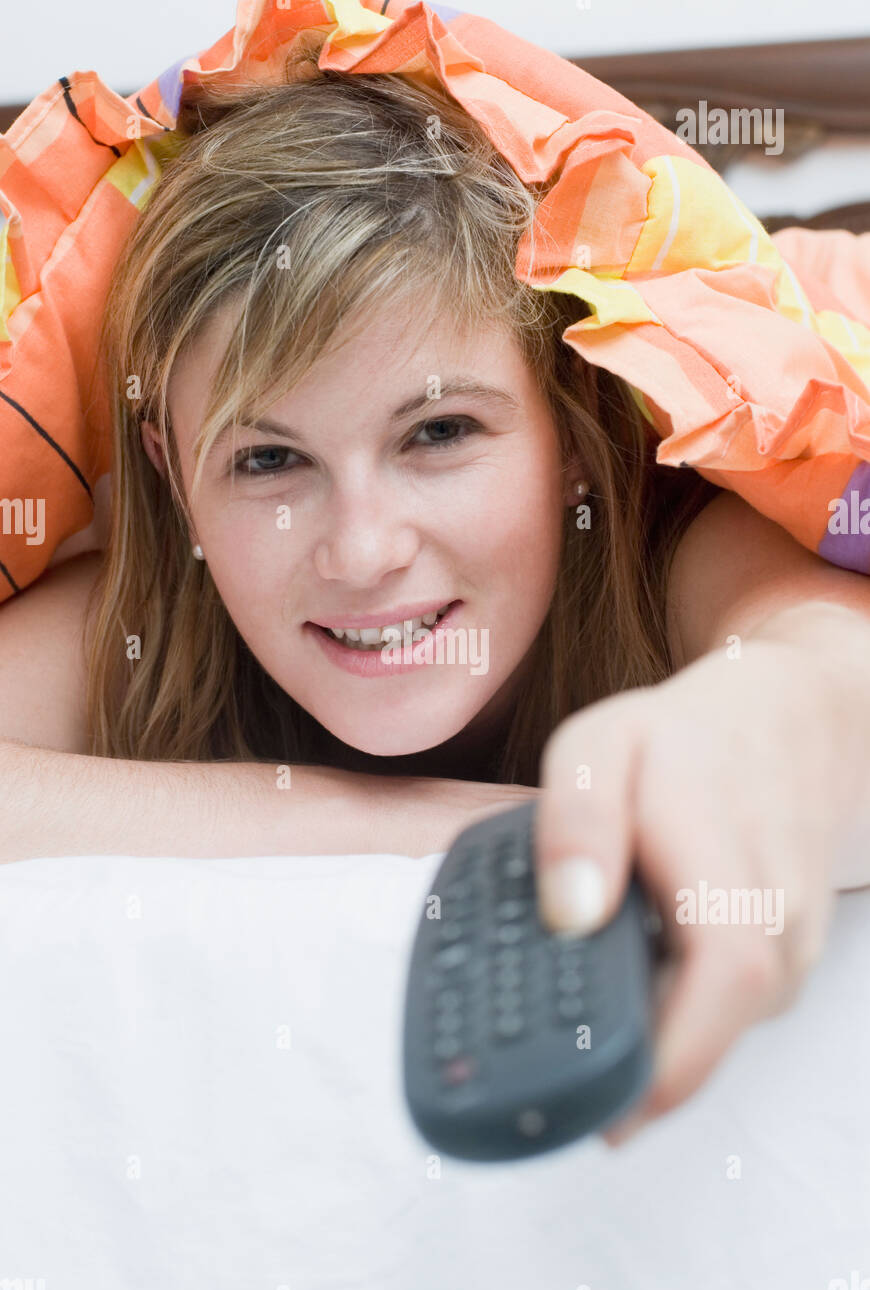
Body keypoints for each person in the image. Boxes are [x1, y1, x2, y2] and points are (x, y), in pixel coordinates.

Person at [1, 61, 869, 1146]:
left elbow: (825, 668)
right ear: (172, 478)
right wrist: (456, 832)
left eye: (440, 433)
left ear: (572, 438)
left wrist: (770, 731)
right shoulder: (156, 615)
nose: (363, 551)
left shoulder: (679, 544)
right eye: (269, 459)